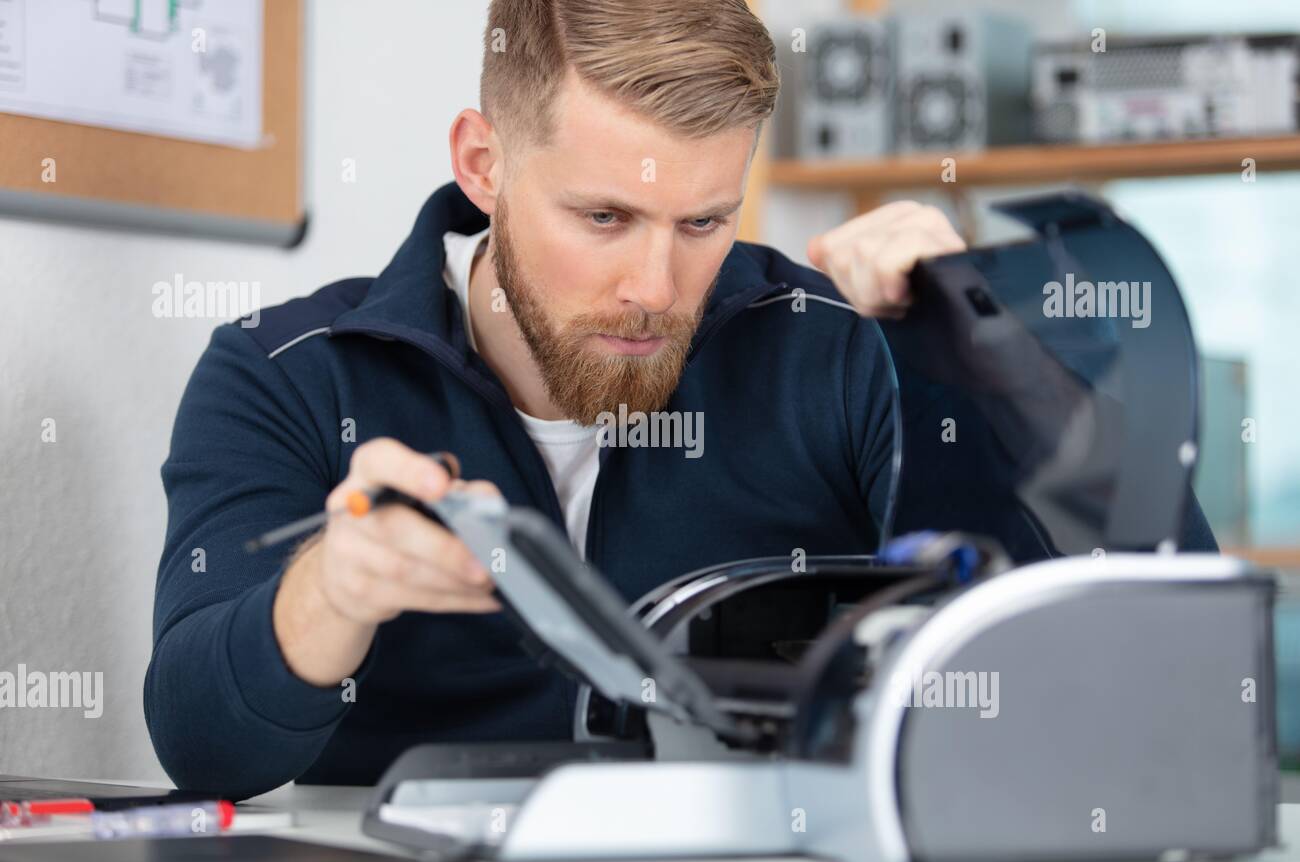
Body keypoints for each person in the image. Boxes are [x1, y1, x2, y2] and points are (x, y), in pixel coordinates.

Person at [146, 0, 1214, 798]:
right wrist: (330, 591)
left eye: (702, 223)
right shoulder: (285, 369)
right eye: (603, 217)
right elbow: (201, 748)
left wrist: (985, 350)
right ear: (483, 162)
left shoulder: (842, 353)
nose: (655, 291)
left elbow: (1162, 662)